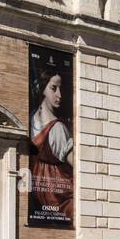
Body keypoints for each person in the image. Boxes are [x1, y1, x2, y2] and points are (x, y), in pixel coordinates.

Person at [30, 68, 74, 223]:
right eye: (53, 88)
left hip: (45, 197)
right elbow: (77, 165)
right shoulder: (57, 128)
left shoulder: (32, 119)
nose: (59, 95)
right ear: (42, 89)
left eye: (61, 89)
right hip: (57, 199)